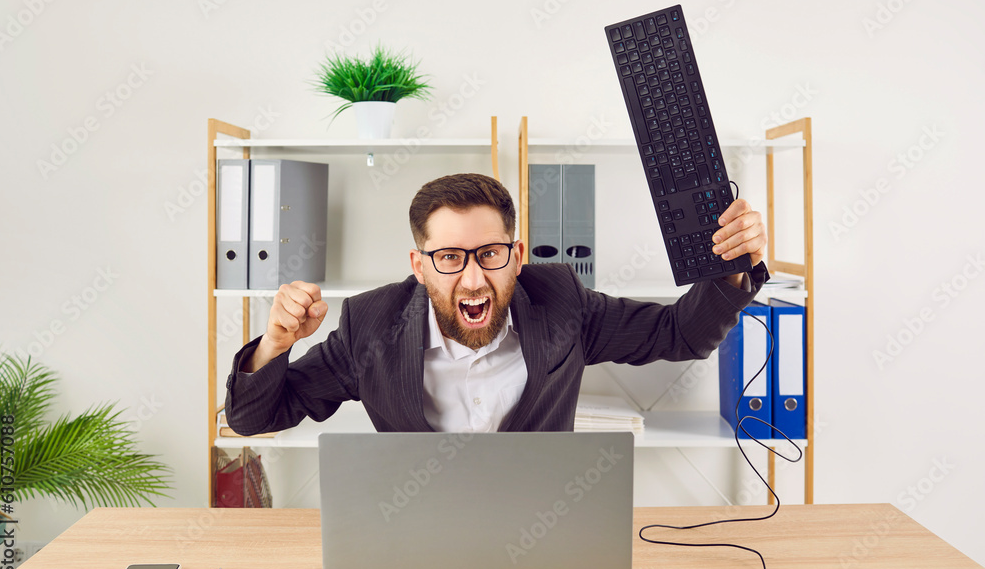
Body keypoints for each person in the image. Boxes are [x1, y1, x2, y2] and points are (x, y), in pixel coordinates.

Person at [225, 173, 769, 434]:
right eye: (449, 259)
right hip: (416, 537)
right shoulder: (372, 326)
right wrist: (275, 343)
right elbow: (253, 419)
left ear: (516, 255)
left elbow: (682, 334)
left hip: (543, 536)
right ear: (419, 267)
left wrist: (733, 266)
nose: (472, 279)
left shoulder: (560, 302)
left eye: (488, 254)